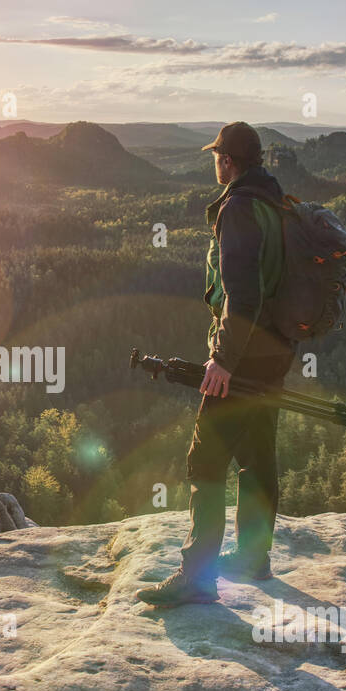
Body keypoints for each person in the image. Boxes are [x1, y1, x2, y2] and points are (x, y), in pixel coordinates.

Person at [138, 122, 296, 607]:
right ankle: (252, 556)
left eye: (217, 156)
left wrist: (222, 361)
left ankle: (197, 577)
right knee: (257, 454)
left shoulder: (239, 208)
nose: (215, 162)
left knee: (204, 460)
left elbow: (243, 297)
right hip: (275, 353)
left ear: (227, 161)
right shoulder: (276, 201)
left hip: (243, 356)